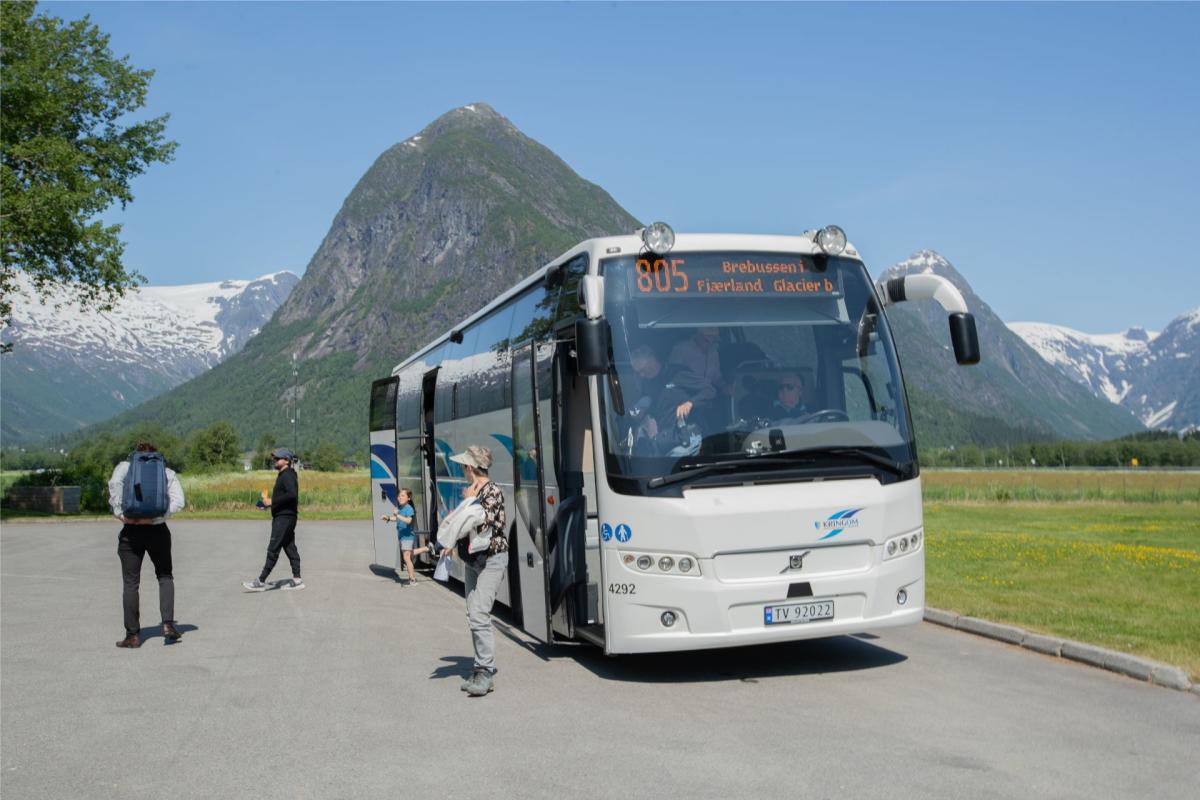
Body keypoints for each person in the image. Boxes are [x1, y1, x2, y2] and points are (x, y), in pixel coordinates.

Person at [108, 442, 186, 648]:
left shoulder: (124, 467)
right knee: (165, 576)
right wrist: (157, 517)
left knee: (131, 583)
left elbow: (114, 486)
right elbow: (179, 502)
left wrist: (122, 515)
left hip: (130, 532)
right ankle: (168, 624)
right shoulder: (166, 471)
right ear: (155, 455)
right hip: (157, 530)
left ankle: (132, 635)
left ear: (136, 454)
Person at [451, 445, 507, 697]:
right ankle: (480, 667)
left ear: (471, 468)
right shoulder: (475, 491)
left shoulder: (492, 492)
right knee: (471, 612)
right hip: (474, 560)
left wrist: (468, 501)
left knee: (479, 613)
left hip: (492, 559)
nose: (463, 470)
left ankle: (485, 671)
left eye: (464, 466)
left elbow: (481, 520)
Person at [243, 448, 304, 592]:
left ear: (287, 461)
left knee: (273, 548)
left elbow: (292, 495)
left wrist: (272, 501)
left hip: (284, 518)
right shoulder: (284, 475)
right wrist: (268, 504)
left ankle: (261, 581)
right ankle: (297, 580)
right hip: (285, 516)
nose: (274, 461)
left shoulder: (287, 475)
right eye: (274, 459)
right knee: (290, 548)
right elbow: (285, 498)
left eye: (277, 459)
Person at [629, 345, 700, 455]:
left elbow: (708, 391)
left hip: (685, 439)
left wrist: (690, 403)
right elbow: (652, 406)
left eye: (642, 370)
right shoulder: (646, 383)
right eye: (638, 372)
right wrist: (641, 413)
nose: (641, 375)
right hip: (661, 440)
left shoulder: (678, 373)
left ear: (651, 360)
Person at [381, 487, 430, 586]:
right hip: (402, 537)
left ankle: (412, 580)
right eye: (399, 496)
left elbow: (408, 520)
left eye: (403, 495)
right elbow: (397, 519)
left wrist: (398, 515)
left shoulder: (409, 508)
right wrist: (388, 518)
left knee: (406, 558)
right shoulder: (400, 508)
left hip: (408, 536)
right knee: (410, 554)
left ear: (409, 498)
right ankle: (427, 548)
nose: (400, 497)